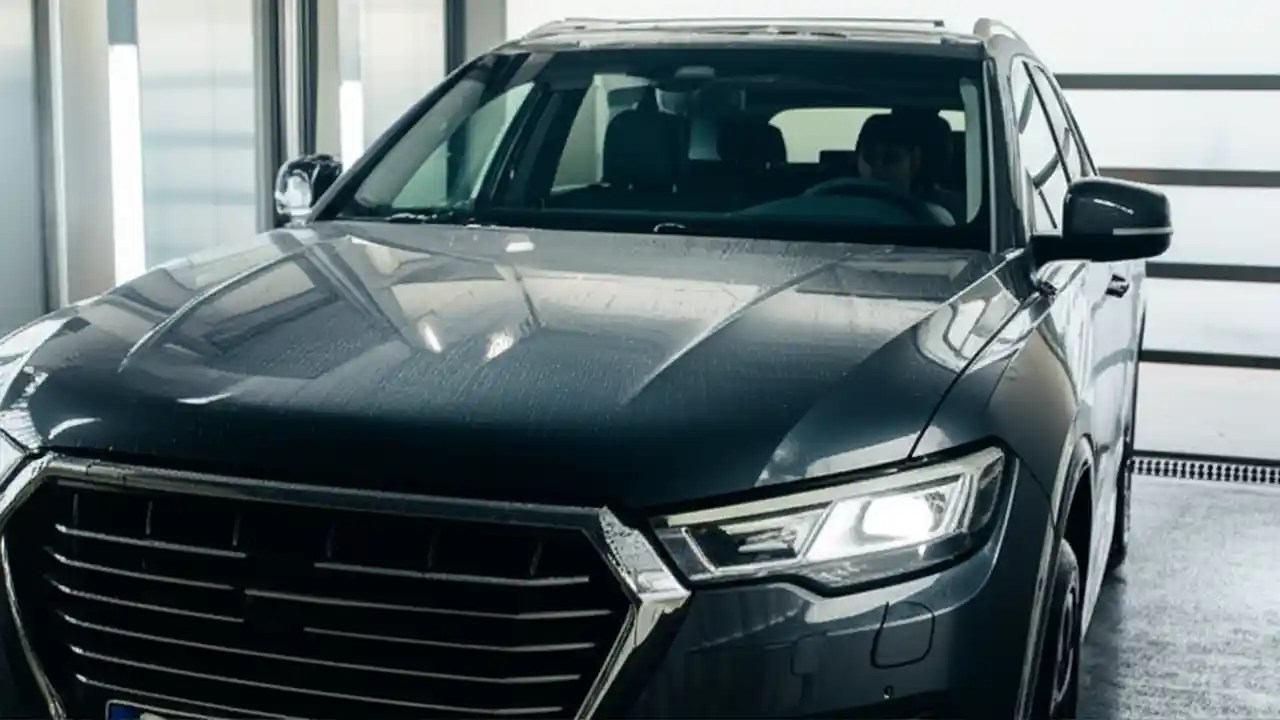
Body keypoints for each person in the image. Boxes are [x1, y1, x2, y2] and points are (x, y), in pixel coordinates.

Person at [855, 113, 956, 224]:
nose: (877, 167)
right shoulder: (840, 210)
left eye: (891, 158)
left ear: (913, 162)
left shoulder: (933, 219)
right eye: (869, 156)